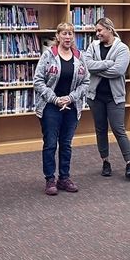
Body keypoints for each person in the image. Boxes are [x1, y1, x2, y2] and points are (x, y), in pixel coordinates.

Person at [33, 22, 90, 195]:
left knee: (66, 144)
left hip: (71, 106)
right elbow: (38, 81)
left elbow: (86, 82)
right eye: (64, 33)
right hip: (51, 106)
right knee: (50, 144)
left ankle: (64, 178)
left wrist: (71, 98)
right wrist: (55, 99)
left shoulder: (79, 56)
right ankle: (50, 179)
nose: (67, 37)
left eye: (70, 34)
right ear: (57, 36)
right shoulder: (48, 55)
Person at [83, 17, 130, 180]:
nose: (97, 34)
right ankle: (105, 162)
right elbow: (87, 65)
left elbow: (119, 71)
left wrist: (97, 69)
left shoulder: (122, 48)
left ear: (109, 29)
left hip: (115, 97)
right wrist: (108, 63)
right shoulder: (93, 46)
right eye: (96, 31)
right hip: (95, 97)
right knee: (100, 129)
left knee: (118, 129)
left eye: (100, 30)